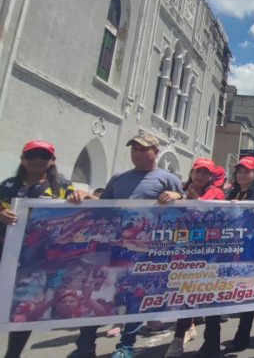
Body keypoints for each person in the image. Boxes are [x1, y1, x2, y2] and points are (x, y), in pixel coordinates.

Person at [69, 132, 183, 358]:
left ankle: (126, 345)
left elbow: (188, 206)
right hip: (113, 247)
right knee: (99, 293)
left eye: (143, 149)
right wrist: (84, 196)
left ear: (155, 152)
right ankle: (85, 346)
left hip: (145, 252)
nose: (138, 153)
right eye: (135, 149)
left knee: (134, 297)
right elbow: (105, 207)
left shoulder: (167, 178)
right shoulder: (118, 178)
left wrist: (176, 195)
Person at [1, 141, 86, 358]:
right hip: (5, 255)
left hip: (37, 263)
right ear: (23, 160)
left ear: (52, 161)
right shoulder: (7, 185)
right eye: (32, 156)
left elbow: (87, 207)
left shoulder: (61, 187)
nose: (37, 160)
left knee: (23, 310)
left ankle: (13, 354)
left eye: (43, 156)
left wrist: (79, 198)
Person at [166, 158, 225, 357]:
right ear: (191, 172)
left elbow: (213, 214)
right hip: (183, 253)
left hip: (209, 255)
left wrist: (192, 199)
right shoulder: (179, 189)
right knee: (184, 298)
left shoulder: (216, 192)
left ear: (210, 177)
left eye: (205, 173)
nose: (200, 176)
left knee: (210, 299)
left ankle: (212, 345)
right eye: (198, 172)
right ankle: (177, 339)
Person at [219, 156, 254, 354]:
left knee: (247, 291)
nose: (242, 174)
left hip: (251, 249)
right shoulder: (231, 191)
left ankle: (242, 336)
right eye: (239, 170)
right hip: (232, 248)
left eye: (247, 171)